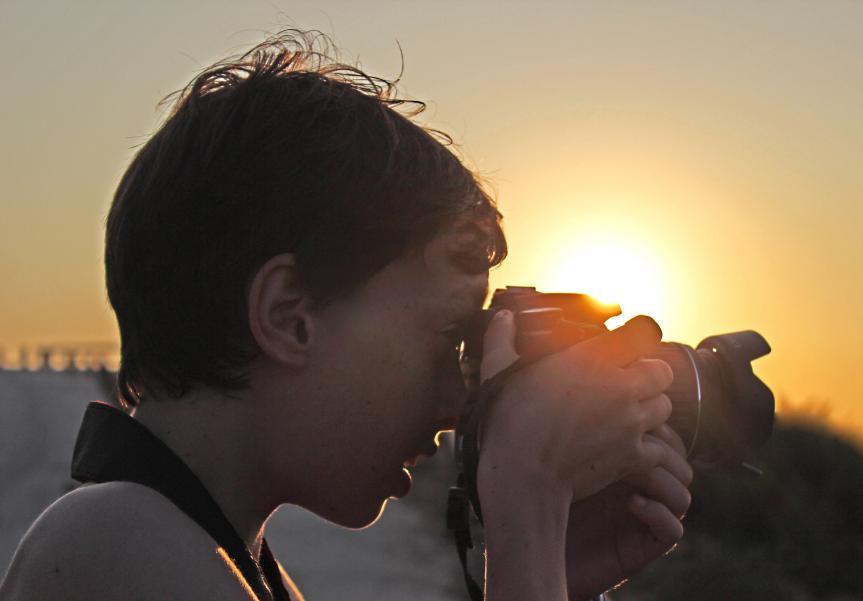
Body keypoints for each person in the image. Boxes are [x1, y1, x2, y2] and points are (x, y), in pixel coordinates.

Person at [0, 29, 691, 601]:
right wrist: (529, 503)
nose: (456, 399)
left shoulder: (210, 552)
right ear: (290, 314)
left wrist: (549, 572)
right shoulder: (115, 543)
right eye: (447, 336)